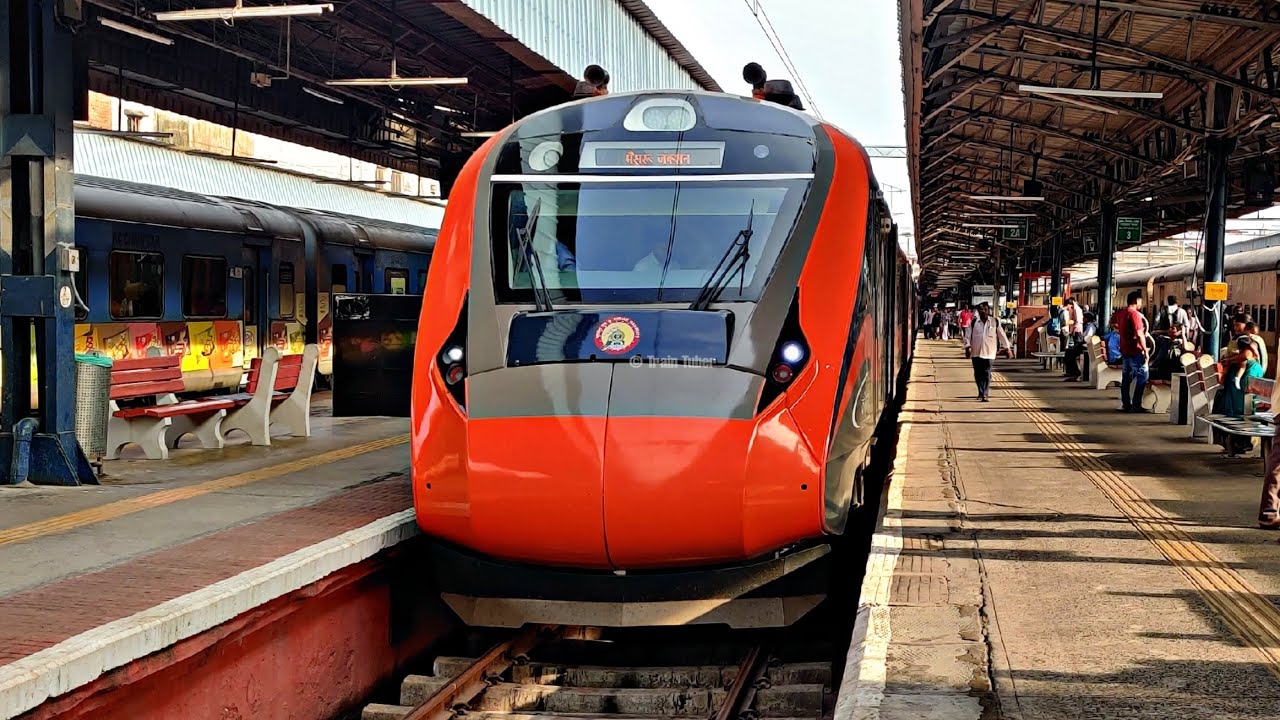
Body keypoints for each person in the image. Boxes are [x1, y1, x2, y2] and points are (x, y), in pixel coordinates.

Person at [1212, 337, 1264, 456]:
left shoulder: (1243, 357)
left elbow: (1243, 357)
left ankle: (1240, 443)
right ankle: (1240, 443)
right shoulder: (1250, 352)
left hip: (1242, 389)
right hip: (1241, 390)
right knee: (1241, 411)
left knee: (1240, 412)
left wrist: (1229, 360)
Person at [964, 302, 1012, 402]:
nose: (983, 311)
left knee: (987, 373)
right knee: (978, 374)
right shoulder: (974, 322)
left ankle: (985, 394)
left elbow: (1002, 335)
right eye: (981, 309)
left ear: (988, 310)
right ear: (978, 311)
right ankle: (981, 392)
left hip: (989, 352)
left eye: (985, 309)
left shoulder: (995, 322)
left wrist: (1007, 348)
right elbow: (967, 336)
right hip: (976, 352)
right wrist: (967, 347)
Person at [1118, 290, 1150, 413]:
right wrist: (1145, 350)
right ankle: (1136, 404)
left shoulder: (1121, 313)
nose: (1141, 303)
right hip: (1135, 351)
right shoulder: (1135, 314)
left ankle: (1126, 404)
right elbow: (1140, 334)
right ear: (1136, 301)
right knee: (1143, 376)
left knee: (1126, 378)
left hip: (1125, 350)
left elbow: (1112, 322)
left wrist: (1123, 332)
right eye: (1141, 301)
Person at [1063, 312, 1097, 381]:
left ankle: (1074, 372)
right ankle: (1071, 371)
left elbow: (1087, 337)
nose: (1083, 319)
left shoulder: (1091, 326)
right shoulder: (1087, 325)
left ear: (1087, 319)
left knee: (1070, 353)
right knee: (1068, 351)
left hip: (1086, 346)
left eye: (1084, 317)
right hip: (1084, 344)